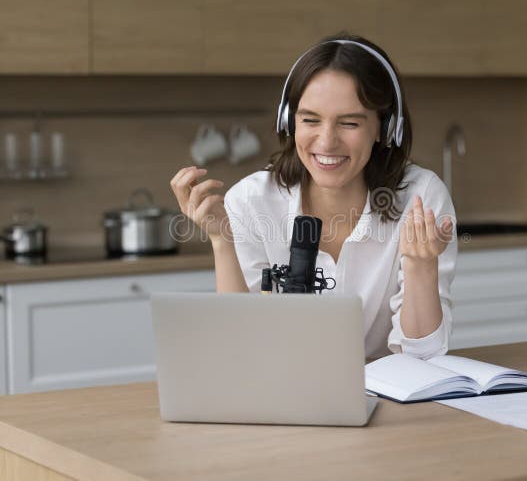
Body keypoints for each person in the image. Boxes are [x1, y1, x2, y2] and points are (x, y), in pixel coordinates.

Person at [170, 33, 457, 360]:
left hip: (388, 402)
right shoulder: (250, 201)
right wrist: (222, 242)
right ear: (289, 122)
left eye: (349, 123)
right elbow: (241, 350)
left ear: (385, 128)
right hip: (282, 396)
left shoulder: (421, 199)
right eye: (310, 120)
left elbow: (425, 357)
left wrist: (421, 265)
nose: (326, 141)